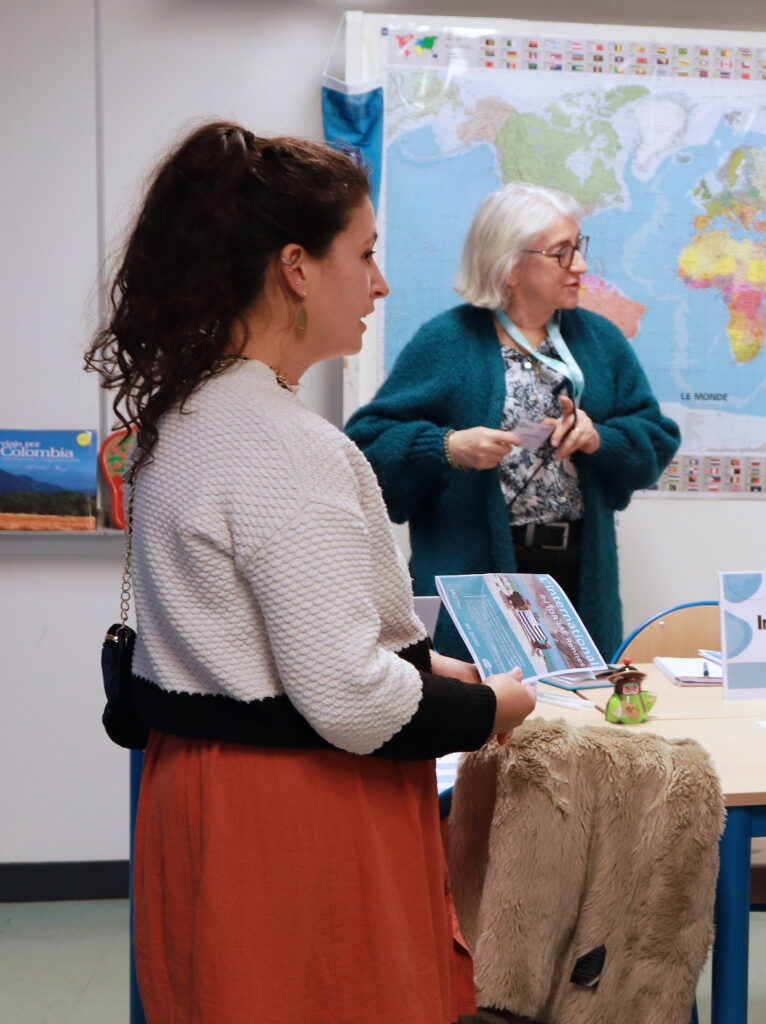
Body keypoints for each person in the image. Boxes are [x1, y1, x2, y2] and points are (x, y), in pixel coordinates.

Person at [85, 122, 538, 1023]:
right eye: (363, 255)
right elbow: (352, 700)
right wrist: (495, 709)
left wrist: (428, 670)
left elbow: (246, 636)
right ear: (296, 267)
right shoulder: (288, 447)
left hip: (196, 798)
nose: (378, 282)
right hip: (295, 821)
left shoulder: (181, 419)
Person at [345, 183, 680, 658]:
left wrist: (598, 438)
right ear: (510, 265)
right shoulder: (447, 341)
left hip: (578, 572)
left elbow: (655, 438)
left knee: (576, 718)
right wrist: (448, 447)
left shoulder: (599, 341)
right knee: (481, 717)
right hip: (475, 577)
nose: (580, 267)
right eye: (561, 253)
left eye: (578, 249)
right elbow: (367, 444)